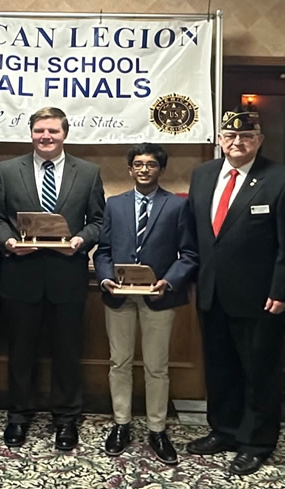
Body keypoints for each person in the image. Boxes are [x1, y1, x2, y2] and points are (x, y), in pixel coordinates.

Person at [185, 109, 285, 475]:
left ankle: (256, 441)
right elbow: (198, 235)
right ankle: (223, 430)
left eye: (247, 137)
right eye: (230, 136)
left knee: (259, 371)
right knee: (220, 367)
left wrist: (284, 289)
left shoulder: (282, 180)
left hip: (262, 297)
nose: (237, 143)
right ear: (220, 139)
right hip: (212, 293)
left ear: (259, 140)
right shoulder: (203, 175)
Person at [0, 106, 105, 450]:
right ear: (31, 133)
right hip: (20, 274)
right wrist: (7, 241)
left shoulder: (88, 172)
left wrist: (81, 240)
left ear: (64, 133)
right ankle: (19, 417)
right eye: (40, 130)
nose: (46, 137)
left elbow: (98, 220)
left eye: (52, 130)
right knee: (21, 352)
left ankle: (66, 419)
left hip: (67, 275)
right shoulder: (7, 170)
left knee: (67, 352)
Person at [93, 143, 197, 465]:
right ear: (129, 169)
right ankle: (121, 424)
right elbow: (104, 251)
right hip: (119, 295)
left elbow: (190, 254)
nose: (143, 169)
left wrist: (169, 280)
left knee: (157, 367)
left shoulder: (178, 206)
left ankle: (157, 428)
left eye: (151, 164)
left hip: (158, 297)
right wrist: (105, 276)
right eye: (137, 164)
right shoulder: (115, 205)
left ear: (161, 170)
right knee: (119, 362)